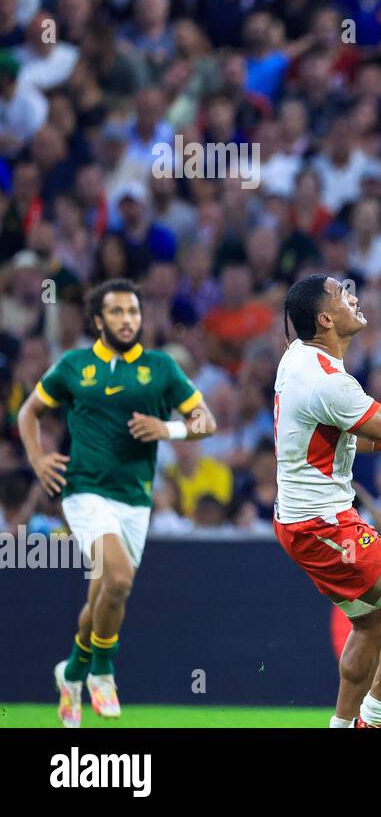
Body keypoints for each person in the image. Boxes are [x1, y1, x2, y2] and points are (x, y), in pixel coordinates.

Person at [18, 278, 216, 727]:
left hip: (135, 499)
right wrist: (38, 457)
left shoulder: (161, 367)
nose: (128, 320)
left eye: (133, 312)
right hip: (85, 490)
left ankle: (70, 672)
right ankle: (102, 672)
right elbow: (28, 411)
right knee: (121, 579)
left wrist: (169, 430)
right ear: (97, 319)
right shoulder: (74, 365)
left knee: (106, 591)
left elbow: (206, 420)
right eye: (117, 313)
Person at [273, 274, 381, 728]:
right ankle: (375, 719)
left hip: (310, 520)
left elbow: (368, 436)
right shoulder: (326, 381)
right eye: (341, 294)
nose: (354, 296)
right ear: (326, 319)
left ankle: (344, 724)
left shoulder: (301, 359)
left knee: (371, 622)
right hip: (322, 527)